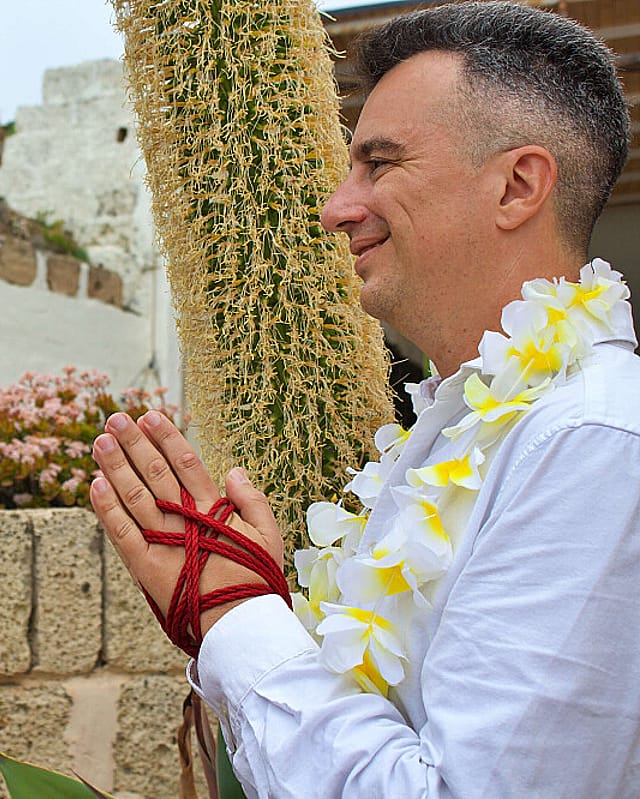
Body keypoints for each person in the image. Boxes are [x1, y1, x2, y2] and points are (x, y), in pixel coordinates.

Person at [90, 2, 640, 796]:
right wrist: (244, 615)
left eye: (379, 165)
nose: (335, 208)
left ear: (518, 186)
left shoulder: (592, 440)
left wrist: (237, 618)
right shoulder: (457, 427)